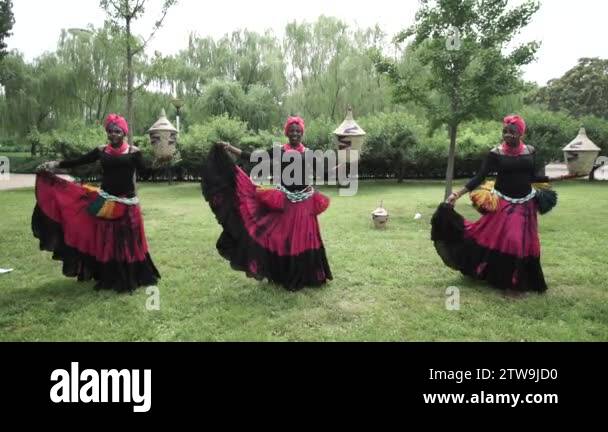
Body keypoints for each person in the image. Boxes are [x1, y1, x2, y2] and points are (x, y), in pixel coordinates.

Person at [431, 114, 572, 294]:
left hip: (527, 203)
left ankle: (522, 281)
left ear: (520, 133)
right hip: (503, 203)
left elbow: (534, 177)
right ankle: (509, 281)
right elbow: (480, 177)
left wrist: (561, 176)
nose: (507, 135)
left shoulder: (530, 151)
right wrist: (457, 194)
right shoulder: (495, 153)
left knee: (526, 244)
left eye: (512, 131)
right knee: (510, 240)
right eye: (505, 131)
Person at [201, 116, 332, 291]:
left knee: (305, 240)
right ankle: (282, 273)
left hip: (304, 204)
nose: (295, 133)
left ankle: (308, 275)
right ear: (287, 132)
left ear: (302, 133)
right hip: (286, 202)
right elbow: (254, 158)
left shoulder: (309, 153)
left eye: (298, 131)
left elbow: (325, 172)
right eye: (292, 130)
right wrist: (230, 148)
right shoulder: (279, 151)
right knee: (282, 239)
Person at [32, 114, 160, 292]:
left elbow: (145, 173)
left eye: (117, 131)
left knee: (129, 242)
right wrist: (54, 165)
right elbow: (78, 162)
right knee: (108, 241)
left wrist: (160, 161)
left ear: (124, 133)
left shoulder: (134, 152)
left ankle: (132, 275)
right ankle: (110, 276)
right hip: (106, 203)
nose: (113, 134)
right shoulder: (101, 151)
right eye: (110, 131)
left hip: (128, 205)